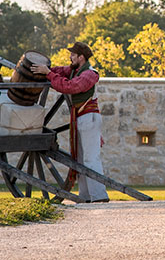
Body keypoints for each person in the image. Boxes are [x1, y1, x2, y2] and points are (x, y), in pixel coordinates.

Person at [31, 42, 108, 203]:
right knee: (80, 159)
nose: (70, 57)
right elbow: (60, 71)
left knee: (91, 158)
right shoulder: (75, 70)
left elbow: (71, 86)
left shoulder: (89, 74)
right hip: (81, 118)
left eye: (73, 54)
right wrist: (45, 69)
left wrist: (49, 74)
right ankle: (86, 196)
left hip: (89, 118)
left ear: (81, 57)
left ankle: (99, 196)